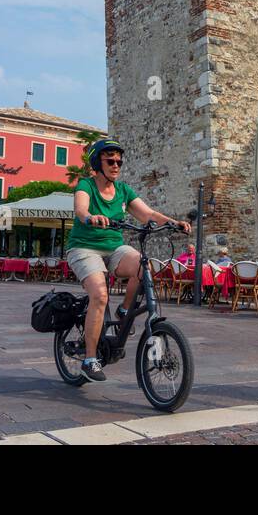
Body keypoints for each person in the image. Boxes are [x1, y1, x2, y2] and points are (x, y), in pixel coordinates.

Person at [67, 138, 191, 383]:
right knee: (100, 296)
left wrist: (173, 223)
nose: (116, 165)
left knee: (143, 265)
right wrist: (91, 217)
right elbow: (80, 209)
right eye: (110, 161)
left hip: (114, 247)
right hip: (84, 248)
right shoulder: (86, 185)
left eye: (119, 161)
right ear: (97, 162)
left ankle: (125, 310)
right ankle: (90, 360)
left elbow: (147, 214)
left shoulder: (123, 190)